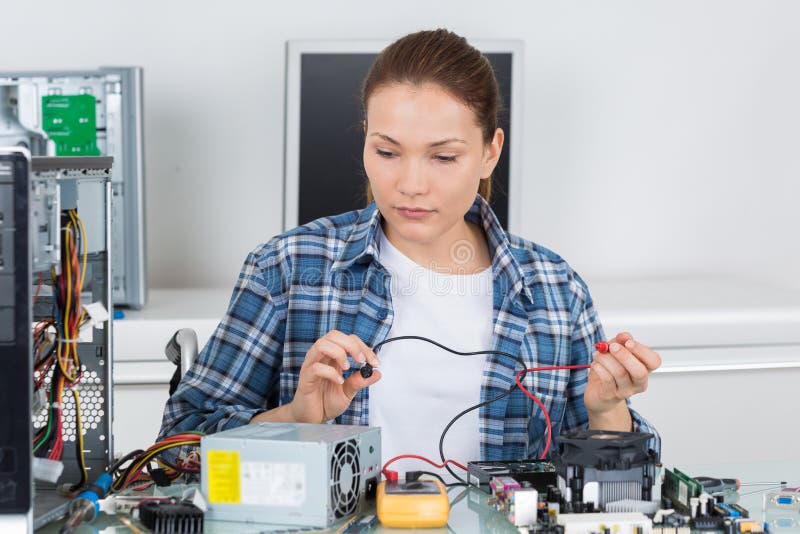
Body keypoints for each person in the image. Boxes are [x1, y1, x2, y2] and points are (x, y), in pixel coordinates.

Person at [158, 29, 661, 467]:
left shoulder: (554, 288)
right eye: (387, 152)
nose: (411, 184)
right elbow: (174, 449)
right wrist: (295, 419)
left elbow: (620, 489)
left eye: (443, 156)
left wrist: (607, 412)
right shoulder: (288, 269)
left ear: (490, 152)